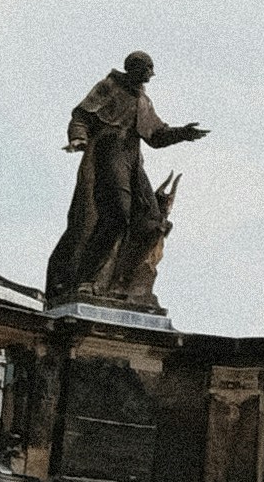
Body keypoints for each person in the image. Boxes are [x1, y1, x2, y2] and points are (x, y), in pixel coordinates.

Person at [48, 51, 204, 311]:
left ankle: (125, 283)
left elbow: (156, 135)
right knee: (116, 216)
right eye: (148, 67)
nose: (152, 73)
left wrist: (183, 133)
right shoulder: (109, 86)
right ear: (135, 68)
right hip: (109, 152)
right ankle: (85, 279)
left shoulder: (144, 100)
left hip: (133, 159)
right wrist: (78, 137)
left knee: (153, 222)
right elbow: (82, 116)